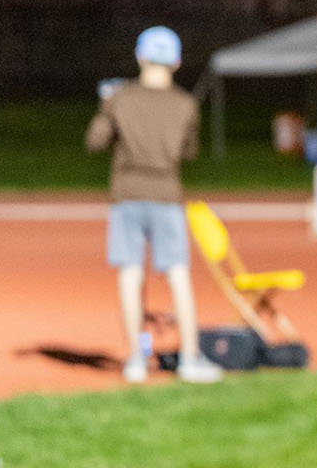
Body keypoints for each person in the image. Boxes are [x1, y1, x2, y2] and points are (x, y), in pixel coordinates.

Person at [85, 26, 223, 384]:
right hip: (166, 195)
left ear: (140, 57)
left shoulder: (120, 98)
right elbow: (188, 152)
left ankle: (135, 360)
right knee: (177, 274)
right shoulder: (186, 104)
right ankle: (190, 359)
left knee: (130, 274)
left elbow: (95, 142)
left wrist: (107, 107)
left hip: (127, 195)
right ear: (176, 62)